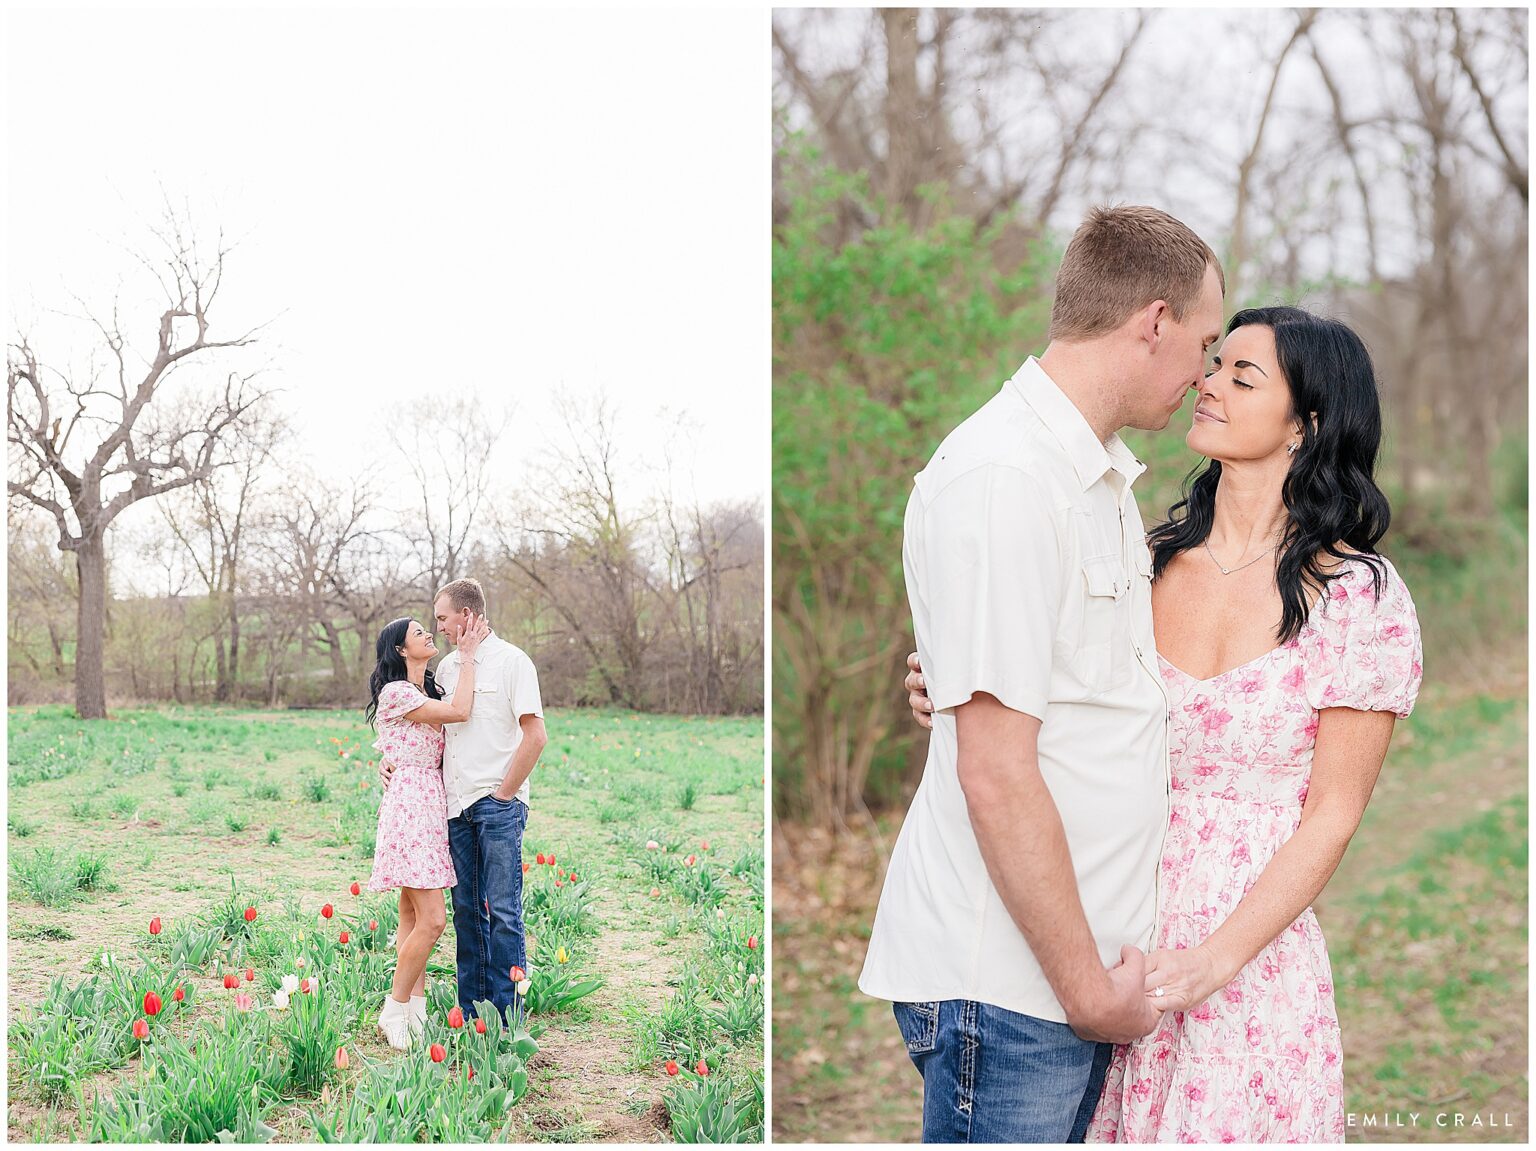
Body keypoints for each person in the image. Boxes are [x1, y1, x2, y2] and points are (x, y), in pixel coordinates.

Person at [904, 303, 1423, 1142]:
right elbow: (1045, 691)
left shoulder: (1360, 599)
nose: (1207, 384)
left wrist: (1216, 959)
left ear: (1306, 423)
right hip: (1102, 940)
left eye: (1242, 377)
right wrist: (954, 683)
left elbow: (1333, 814)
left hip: (1246, 963)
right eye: (1214, 365)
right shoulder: (1142, 559)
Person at [858, 204, 1226, 1144]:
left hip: (1067, 981)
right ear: (1154, 321)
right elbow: (995, 768)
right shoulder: (1005, 478)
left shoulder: (1092, 480)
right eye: (1205, 343)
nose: (1205, 374)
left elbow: (1079, 697)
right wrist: (1087, 991)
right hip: (1015, 992)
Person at [380, 577, 547, 1025]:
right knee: (467, 912)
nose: (438, 627)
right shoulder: (448, 670)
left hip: (496, 803)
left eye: (442, 618)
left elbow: (535, 735)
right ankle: (473, 1013)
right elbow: (421, 731)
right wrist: (391, 762)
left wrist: (506, 793)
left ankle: (507, 1016)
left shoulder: (513, 662)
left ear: (466, 615)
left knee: (504, 911)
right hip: (451, 809)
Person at [365, 611, 490, 1048]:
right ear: (401, 650)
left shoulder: (425, 690)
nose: (428, 633)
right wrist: (468, 655)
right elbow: (459, 712)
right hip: (411, 808)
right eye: (418, 632)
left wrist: (389, 761)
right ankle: (394, 1008)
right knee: (434, 919)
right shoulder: (397, 692)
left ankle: (413, 1013)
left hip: (429, 803)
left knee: (412, 916)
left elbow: (403, 744)